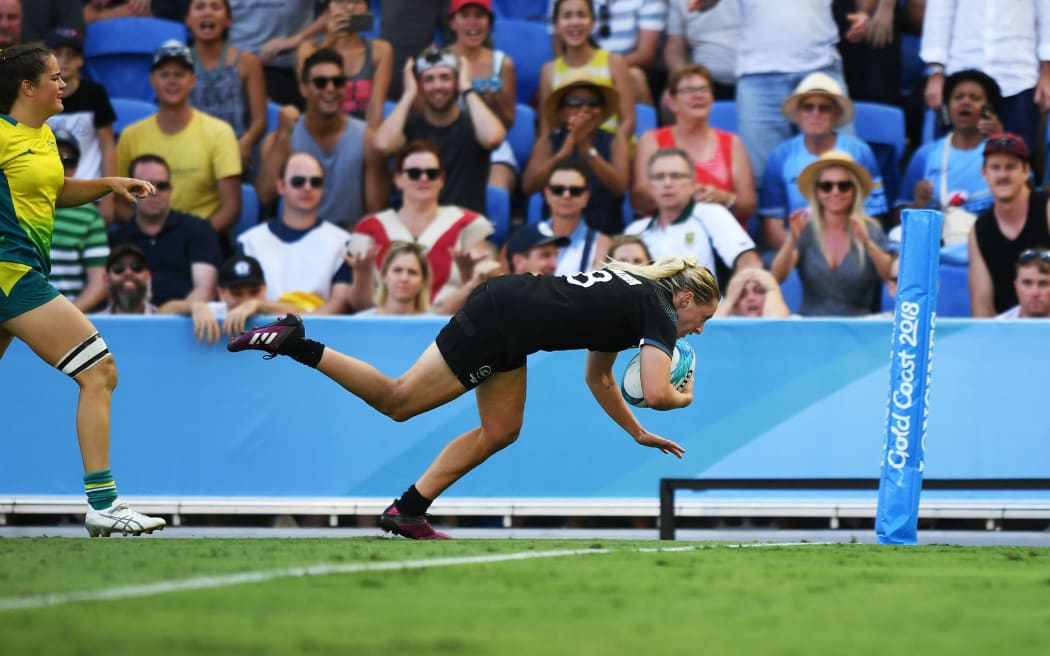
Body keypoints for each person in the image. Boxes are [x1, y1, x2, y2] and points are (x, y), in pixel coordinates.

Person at [228, 254, 721, 539]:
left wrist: (636, 433)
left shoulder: (639, 298)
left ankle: (407, 510)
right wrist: (685, 398)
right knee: (399, 402)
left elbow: (602, 380)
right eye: (703, 318)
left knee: (502, 429)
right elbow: (657, 392)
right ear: (685, 299)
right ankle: (296, 342)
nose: (697, 330)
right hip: (502, 321)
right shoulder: (657, 308)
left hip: (509, 313)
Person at [0, 44, 165, 536]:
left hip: (19, 271)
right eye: (53, 77)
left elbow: (53, 192)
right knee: (99, 370)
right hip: (11, 274)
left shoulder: (46, 136)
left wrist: (108, 183)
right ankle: (105, 503)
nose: (62, 83)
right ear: (27, 87)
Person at [115, 40, 242, 239]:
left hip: (202, 240)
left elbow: (231, 208)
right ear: (152, 80)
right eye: (165, 74)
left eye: (180, 74)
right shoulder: (130, 136)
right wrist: (150, 234)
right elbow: (117, 203)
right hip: (146, 240)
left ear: (193, 79)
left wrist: (195, 239)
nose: (172, 81)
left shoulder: (220, 132)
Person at [351, 140, 495, 314]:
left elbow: (484, 291)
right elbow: (359, 305)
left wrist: (470, 275)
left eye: (432, 173)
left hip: (450, 324)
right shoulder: (369, 227)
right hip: (384, 325)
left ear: (442, 179)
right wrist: (363, 274)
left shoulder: (467, 223)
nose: (424, 178)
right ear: (398, 179)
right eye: (414, 173)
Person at [257, 48, 386, 228]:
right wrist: (283, 134)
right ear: (303, 89)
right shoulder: (280, 138)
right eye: (320, 83)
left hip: (347, 240)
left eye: (338, 82)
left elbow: (376, 214)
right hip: (297, 239)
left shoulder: (367, 139)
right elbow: (265, 195)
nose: (330, 88)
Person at [759, 72, 887, 251]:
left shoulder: (860, 152)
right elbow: (772, 227)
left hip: (852, 250)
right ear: (798, 113)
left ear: (837, 114)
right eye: (808, 107)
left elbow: (874, 217)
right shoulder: (780, 156)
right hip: (795, 251)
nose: (815, 114)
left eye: (824, 108)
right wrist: (806, 258)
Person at [374, 46, 506, 216]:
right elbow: (382, 145)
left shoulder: (474, 123)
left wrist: (467, 88)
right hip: (417, 230)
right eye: (429, 79)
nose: (438, 86)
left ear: (456, 81)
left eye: (445, 78)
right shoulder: (409, 126)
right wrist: (408, 94)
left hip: (466, 230)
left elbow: (493, 138)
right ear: (419, 85)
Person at [240, 151, 376, 314]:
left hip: (319, 334)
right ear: (281, 186)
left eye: (316, 182)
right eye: (298, 182)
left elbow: (340, 302)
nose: (308, 187)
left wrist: (303, 328)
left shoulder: (343, 242)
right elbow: (241, 300)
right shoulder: (249, 242)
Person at [920, 0, 1050, 170]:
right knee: (953, 165)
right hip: (962, 73)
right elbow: (939, 11)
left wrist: (1047, 72)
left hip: (1017, 79)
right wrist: (936, 72)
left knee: (1015, 166)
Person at [770, 150, 894, 316]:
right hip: (811, 327)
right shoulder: (805, 229)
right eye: (826, 186)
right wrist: (791, 240)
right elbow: (777, 277)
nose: (835, 192)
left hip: (858, 329)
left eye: (843, 186)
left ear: (854, 190)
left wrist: (868, 245)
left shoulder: (870, 229)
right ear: (817, 192)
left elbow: (889, 276)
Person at [633, 63, 756, 225]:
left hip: (720, 237)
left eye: (704, 89)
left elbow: (749, 206)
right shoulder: (652, 140)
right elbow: (638, 200)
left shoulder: (732, 143)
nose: (698, 96)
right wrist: (680, 194)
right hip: (667, 236)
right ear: (672, 102)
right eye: (688, 91)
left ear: (712, 99)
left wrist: (725, 198)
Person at [897, 69, 1003, 245]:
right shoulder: (926, 155)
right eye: (958, 97)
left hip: (990, 240)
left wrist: (1000, 142)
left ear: (989, 110)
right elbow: (898, 216)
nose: (965, 102)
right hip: (936, 241)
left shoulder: (1003, 152)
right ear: (947, 107)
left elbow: (1025, 201)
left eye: (975, 98)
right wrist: (917, 205)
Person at [627, 147, 762, 282]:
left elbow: (748, 261)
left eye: (676, 176)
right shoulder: (635, 231)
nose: (667, 183)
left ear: (692, 184)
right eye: (659, 177)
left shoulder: (712, 214)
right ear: (650, 186)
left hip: (710, 302)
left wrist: (731, 300)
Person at [522, 69, 629, 236]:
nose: (585, 108)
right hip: (556, 234)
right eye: (575, 102)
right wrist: (564, 152)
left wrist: (586, 148)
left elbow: (619, 187)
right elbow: (529, 186)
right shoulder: (548, 142)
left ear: (601, 112)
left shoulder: (615, 140)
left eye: (593, 103)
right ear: (562, 113)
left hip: (605, 230)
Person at [107, 154, 223, 306]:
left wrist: (169, 318)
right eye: (144, 186)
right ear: (130, 192)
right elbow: (110, 293)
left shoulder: (198, 229)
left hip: (187, 324)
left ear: (170, 190)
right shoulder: (117, 238)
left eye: (161, 186)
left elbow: (205, 290)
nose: (154, 192)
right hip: (135, 323)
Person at [968, 133, 1050, 316]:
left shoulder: (1047, 209)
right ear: (984, 172)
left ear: (1026, 170)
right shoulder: (980, 230)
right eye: (995, 167)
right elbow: (982, 306)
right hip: (1006, 335)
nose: (1003, 175)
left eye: (1010, 167)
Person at [42, 26, 117, 222]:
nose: (65, 60)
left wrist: (108, 198)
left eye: (71, 54)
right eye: (58, 54)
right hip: (47, 195)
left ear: (81, 60)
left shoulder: (95, 93)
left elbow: (108, 145)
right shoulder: (38, 96)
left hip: (90, 195)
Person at [186, 0, 268, 169]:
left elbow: (259, 120)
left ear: (228, 20)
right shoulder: (179, 64)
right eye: (200, 7)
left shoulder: (248, 63)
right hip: (191, 153)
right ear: (187, 19)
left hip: (236, 153)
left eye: (215, 7)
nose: (207, 13)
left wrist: (246, 142)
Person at [448, 0, 519, 193]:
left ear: (488, 22)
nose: (473, 22)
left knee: (495, 192)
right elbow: (423, 114)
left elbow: (509, 123)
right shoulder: (438, 59)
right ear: (452, 23)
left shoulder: (503, 64)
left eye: (479, 16)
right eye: (465, 15)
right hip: (447, 143)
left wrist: (495, 102)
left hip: (493, 147)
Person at [539, 0, 635, 142]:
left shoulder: (615, 63)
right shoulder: (548, 71)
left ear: (592, 22)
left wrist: (613, 149)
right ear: (556, 25)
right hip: (568, 149)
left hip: (610, 148)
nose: (575, 22)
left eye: (581, 15)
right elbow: (546, 129)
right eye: (567, 16)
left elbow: (628, 121)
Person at [158, 254, 300, 342]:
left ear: (265, 288)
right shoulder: (213, 312)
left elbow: (308, 315)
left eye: (254, 292)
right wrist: (194, 306)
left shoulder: (272, 312)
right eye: (237, 293)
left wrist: (258, 305)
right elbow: (161, 313)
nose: (246, 300)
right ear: (221, 293)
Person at [549, 0, 667, 106]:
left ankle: (645, 129)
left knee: (634, 76)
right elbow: (559, 53)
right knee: (556, 75)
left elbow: (645, 55)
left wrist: (603, 69)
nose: (574, 21)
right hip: (577, 67)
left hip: (626, 68)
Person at [296, 0, 393, 127]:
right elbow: (310, 94)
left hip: (362, 133)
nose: (350, 7)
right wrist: (329, 43)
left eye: (358, 2)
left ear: (367, 10)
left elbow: (375, 110)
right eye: (341, 2)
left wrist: (369, 143)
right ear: (328, 10)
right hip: (320, 130)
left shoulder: (381, 50)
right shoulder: (307, 49)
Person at [50, 128, 109, 312]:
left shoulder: (89, 214)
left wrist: (67, 317)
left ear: (76, 167)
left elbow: (99, 282)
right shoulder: (12, 202)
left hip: (66, 318)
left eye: (69, 160)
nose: (62, 165)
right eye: (55, 157)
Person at [537, 160, 612, 275]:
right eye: (558, 190)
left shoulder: (602, 245)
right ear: (547, 193)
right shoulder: (522, 240)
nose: (566, 195)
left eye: (575, 191)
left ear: (586, 196)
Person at [663, 0, 740, 100]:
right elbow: (675, 46)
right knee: (669, 98)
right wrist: (683, 80)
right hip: (704, 79)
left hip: (754, 77)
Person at [355, 241, 435, 316]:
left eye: (412, 272)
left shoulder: (437, 326)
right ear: (384, 276)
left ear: (423, 281)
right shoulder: (359, 322)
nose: (404, 278)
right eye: (397, 270)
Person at [96, 243, 157, 315]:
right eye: (118, 268)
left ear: (148, 276)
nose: (128, 273)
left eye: (136, 267)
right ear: (107, 279)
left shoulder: (165, 320)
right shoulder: (92, 324)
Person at [714, 266, 792, 317]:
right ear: (735, 306)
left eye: (758, 291)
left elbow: (777, 329)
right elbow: (707, 332)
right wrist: (729, 300)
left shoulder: (795, 321)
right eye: (742, 294)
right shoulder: (728, 325)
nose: (751, 298)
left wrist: (773, 290)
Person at [997, 248, 1050, 319]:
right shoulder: (997, 327)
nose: (1035, 293)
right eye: (1027, 284)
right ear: (1016, 287)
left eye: (1043, 284)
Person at [505, 222, 571, 275]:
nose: (554, 265)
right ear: (519, 261)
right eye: (546, 255)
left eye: (556, 256)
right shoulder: (500, 291)